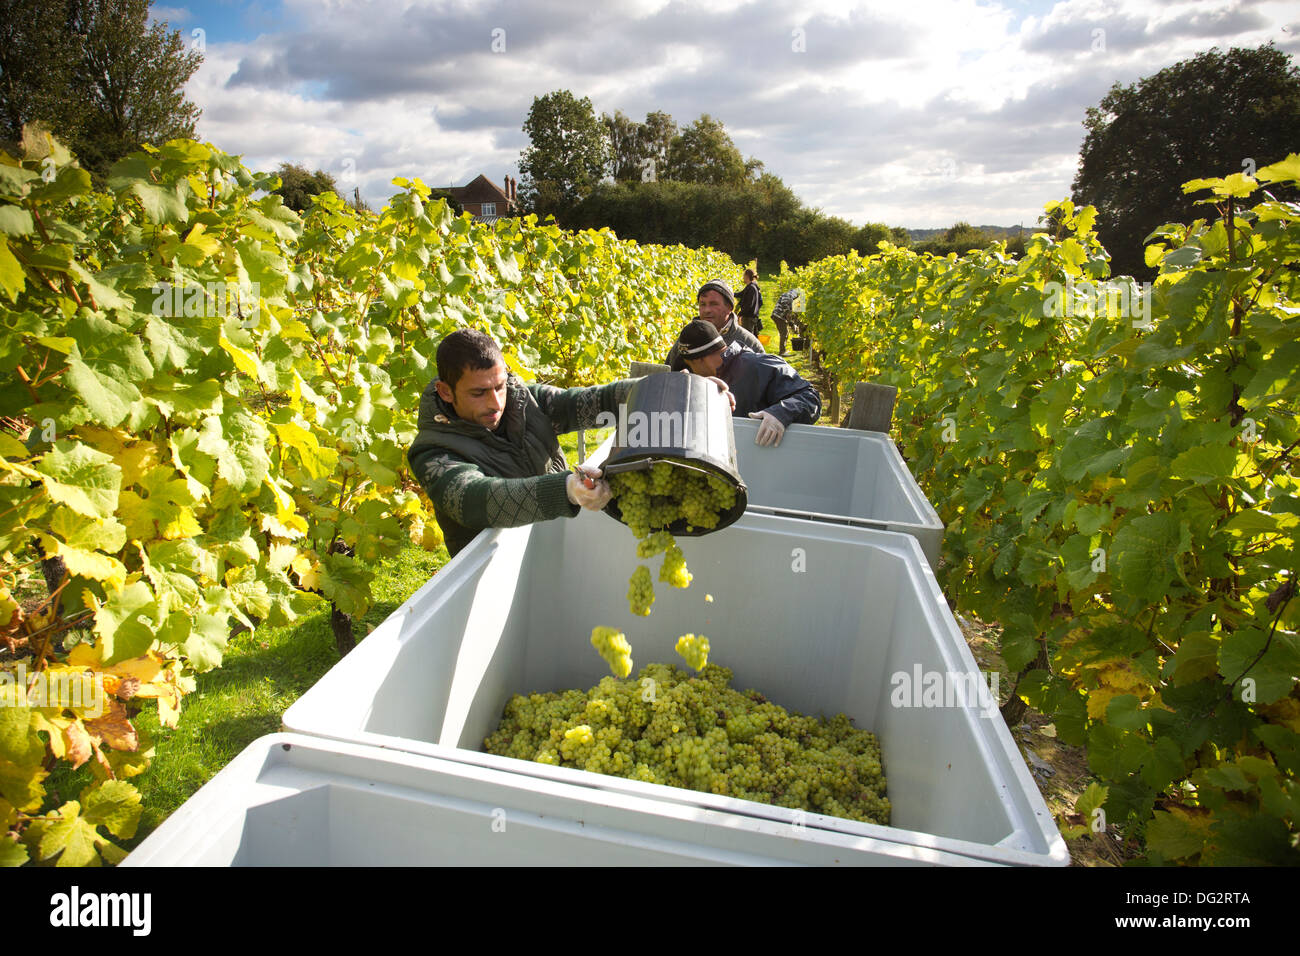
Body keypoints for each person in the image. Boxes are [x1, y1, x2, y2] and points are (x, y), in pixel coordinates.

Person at [407, 329, 625, 558]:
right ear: (446, 392)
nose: (496, 403)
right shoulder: (432, 453)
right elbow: (478, 498)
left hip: (555, 549)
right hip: (500, 577)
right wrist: (566, 489)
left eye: (499, 387)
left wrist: (648, 390)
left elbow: (586, 402)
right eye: (478, 393)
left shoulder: (524, 401)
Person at [674, 319, 820, 447]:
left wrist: (782, 412)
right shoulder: (709, 380)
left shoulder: (760, 366)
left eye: (690, 366)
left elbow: (810, 397)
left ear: (699, 360)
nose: (692, 371)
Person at [663, 279, 764, 371]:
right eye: (703, 304)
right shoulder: (687, 339)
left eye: (714, 304)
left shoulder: (749, 343)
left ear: (729, 307)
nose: (707, 310)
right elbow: (668, 373)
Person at [769, 288, 802, 355]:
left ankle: (783, 350)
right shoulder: (789, 297)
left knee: (785, 333)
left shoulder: (789, 295)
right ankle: (782, 352)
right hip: (778, 316)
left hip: (779, 316)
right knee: (784, 333)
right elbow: (787, 312)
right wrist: (792, 324)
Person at [736, 268, 763, 337]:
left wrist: (740, 314)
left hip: (749, 317)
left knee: (747, 337)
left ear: (747, 276)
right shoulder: (751, 286)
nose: (743, 277)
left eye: (743, 276)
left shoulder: (751, 288)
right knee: (750, 336)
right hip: (752, 316)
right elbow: (740, 294)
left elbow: (749, 304)